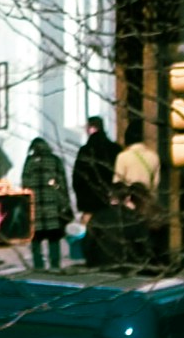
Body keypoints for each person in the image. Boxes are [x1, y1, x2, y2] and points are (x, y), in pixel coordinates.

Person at [19, 132, 72, 272]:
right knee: (53, 236)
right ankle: (55, 264)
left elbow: (24, 184)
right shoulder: (55, 160)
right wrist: (64, 203)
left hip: (34, 205)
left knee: (36, 237)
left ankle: (38, 265)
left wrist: (25, 204)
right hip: (52, 206)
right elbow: (62, 183)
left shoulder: (29, 161)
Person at [72, 115, 120, 257]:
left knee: (91, 232)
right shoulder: (114, 149)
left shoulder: (85, 151)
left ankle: (92, 255)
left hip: (89, 200)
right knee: (109, 229)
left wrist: (80, 198)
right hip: (109, 197)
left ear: (91, 128)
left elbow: (77, 178)